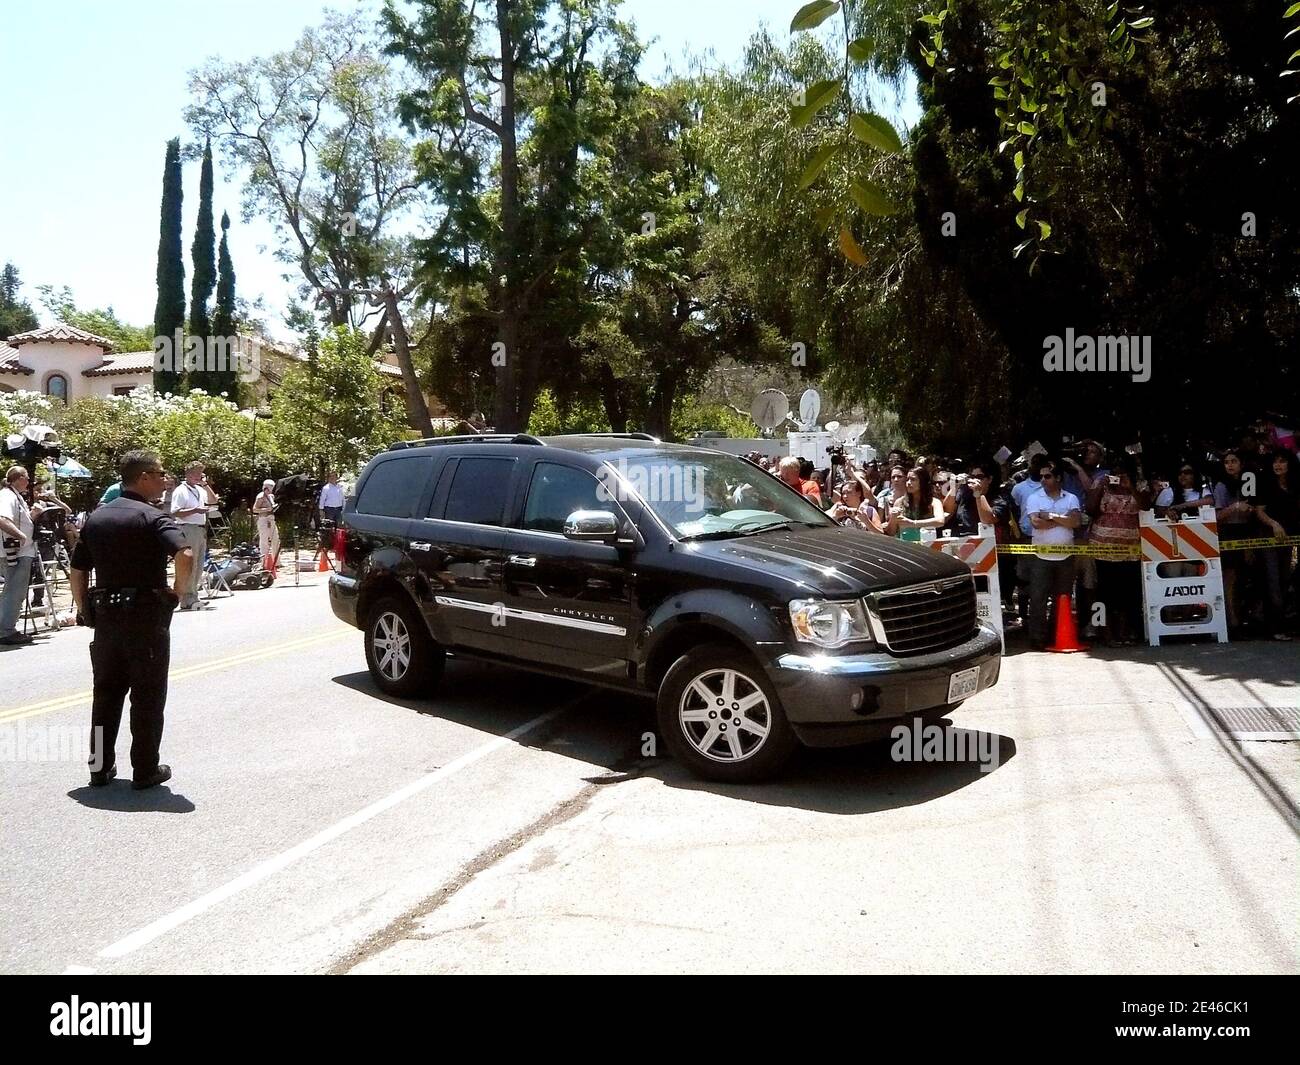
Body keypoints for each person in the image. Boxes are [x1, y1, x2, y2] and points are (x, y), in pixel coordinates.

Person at [69, 451, 193, 790]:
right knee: (147, 695)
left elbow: (78, 569)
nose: (166, 480)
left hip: (107, 617)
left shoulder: (96, 518)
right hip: (145, 617)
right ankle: (145, 770)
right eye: (161, 473)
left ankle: (98, 768)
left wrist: (83, 608)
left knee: (105, 695)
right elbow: (185, 553)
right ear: (143, 478)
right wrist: (177, 592)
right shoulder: (153, 517)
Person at [1087, 456, 1149, 645]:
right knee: (1105, 592)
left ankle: (1125, 632)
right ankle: (1106, 633)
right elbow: (1090, 509)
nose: (1117, 474)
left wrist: (1130, 487)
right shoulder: (1101, 482)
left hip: (1131, 548)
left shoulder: (1140, 485)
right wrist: (1099, 488)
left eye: (1122, 470)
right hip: (1102, 547)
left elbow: (1145, 506)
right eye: (1114, 470)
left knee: (1128, 592)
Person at [1022, 460, 1082, 649]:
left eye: (1047, 476)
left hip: (1066, 556)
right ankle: (1037, 638)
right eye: (1040, 476)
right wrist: (1063, 520)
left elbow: (1076, 522)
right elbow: (1036, 523)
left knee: (1062, 598)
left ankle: (1057, 634)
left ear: (1058, 478)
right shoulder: (1034, 498)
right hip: (1040, 555)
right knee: (1038, 597)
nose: (1043, 480)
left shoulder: (1071, 498)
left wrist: (1053, 516)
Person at [1254, 449, 1299, 641]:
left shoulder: (1296, 484)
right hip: (1268, 536)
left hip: (1288, 538)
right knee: (1273, 581)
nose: (1278, 465)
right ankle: (1274, 627)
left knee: (1285, 579)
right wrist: (1274, 524)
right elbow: (1259, 511)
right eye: (1275, 462)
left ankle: (1284, 624)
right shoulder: (1266, 484)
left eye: (1282, 461)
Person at [0, 466, 48, 646]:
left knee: (14, 591)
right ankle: (6, 630)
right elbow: (2, 519)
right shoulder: (7, 496)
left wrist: (33, 515)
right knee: (14, 591)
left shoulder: (14, 496)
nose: (29, 482)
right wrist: (21, 536)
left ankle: (6, 627)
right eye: (27, 478)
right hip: (15, 552)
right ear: (18, 478)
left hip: (20, 552)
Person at [1213, 449, 1257, 635]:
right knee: (1230, 578)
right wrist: (1235, 507)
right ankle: (1232, 621)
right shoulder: (1221, 486)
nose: (1230, 465)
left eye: (1234, 461)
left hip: (1249, 531)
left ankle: (1250, 617)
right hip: (1229, 532)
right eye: (1226, 462)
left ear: (1241, 464)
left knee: (1248, 576)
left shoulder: (1250, 481)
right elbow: (1216, 516)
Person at [169, 461, 219, 610]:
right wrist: (195, 510)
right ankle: (186, 596)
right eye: (196, 473)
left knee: (198, 563)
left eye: (201, 473)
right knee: (190, 564)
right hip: (187, 528)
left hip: (200, 528)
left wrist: (205, 485)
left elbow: (213, 501)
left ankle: (193, 595)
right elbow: (175, 512)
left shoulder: (199, 489)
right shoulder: (181, 490)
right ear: (188, 474)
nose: (199, 476)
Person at [943, 460, 1013, 539]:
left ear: (989, 479)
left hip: (988, 543)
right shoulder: (964, 492)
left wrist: (978, 495)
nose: (975, 480)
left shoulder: (1000, 495)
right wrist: (954, 487)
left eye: (979, 477)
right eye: (972, 477)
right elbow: (947, 510)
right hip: (962, 539)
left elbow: (988, 520)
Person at [884, 466, 946, 539]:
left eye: (913, 479)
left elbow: (940, 521)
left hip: (926, 546)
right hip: (905, 546)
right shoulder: (899, 502)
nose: (909, 483)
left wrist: (913, 523)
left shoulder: (934, 502)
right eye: (907, 479)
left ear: (923, 482)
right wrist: (893, 519)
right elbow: (891, 532)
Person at [252, 479, 281, 575]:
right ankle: (264, 561)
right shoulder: (260, 497)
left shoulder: (271, 496)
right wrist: (267, 509)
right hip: (263, 519)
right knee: (264, 541)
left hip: (271, 519)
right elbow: (255, 509)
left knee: (275, 540)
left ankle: (276, 562)